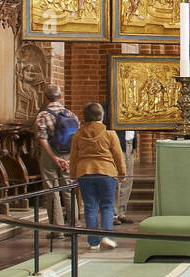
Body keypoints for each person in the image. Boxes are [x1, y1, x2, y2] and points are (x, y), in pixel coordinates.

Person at [69, 103, 126, 250]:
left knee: (90, 207)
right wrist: (122, 173)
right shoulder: (109, 134)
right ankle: (106, 237)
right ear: (102, 115)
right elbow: (118, 155)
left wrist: (73, 174)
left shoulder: (78, 134)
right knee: (107, 206)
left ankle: (93, 242)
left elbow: (73, 156)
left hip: (84, 172)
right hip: (106, 172)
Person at [35, 84, 79, 229]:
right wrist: (70, 158)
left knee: (51, 190)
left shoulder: (43, 115)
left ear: (45, 97)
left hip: (50, 155)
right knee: (68, 188)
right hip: (68, 154)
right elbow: (76, 137)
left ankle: (57, 228)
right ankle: (74, 224)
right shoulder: (71, 114)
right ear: (60, 96)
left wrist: (54, 157)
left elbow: (42, 138)